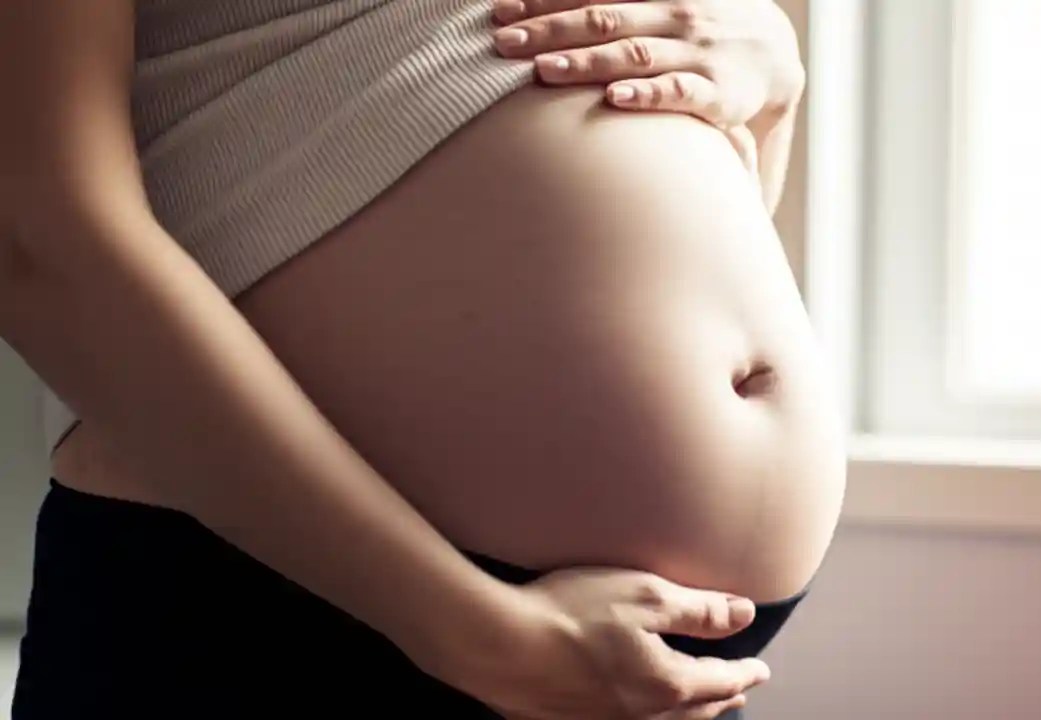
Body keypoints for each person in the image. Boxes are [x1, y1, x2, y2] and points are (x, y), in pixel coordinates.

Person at [0, 0, 847, 717]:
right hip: (281, 603)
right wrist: (482, 638)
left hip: (619, 658)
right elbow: (34, 239)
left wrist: (772, 84)